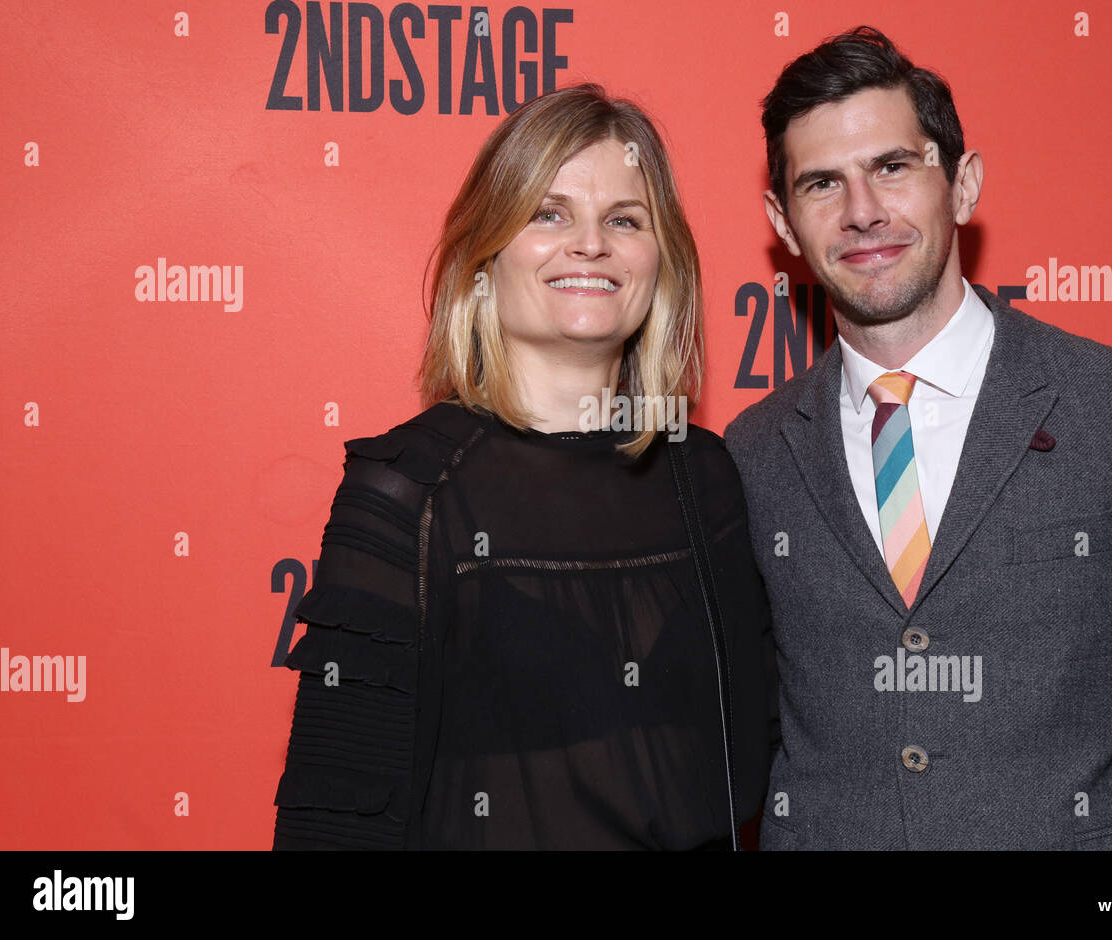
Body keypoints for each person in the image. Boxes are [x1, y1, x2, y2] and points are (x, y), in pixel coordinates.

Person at [724, 26, 1112, 849]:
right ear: (782, 218)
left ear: (962, 183)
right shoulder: (753, 451)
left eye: (892, 166)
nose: (862, 212)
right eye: (821, 183)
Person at [272, 84, 776, 850]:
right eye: (549, 213)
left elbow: (756, 763)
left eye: (624, 220)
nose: (590, 244)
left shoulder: (707, 477)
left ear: (659, 259)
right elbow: (335, 823)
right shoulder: (411, 488)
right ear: (486, 252)